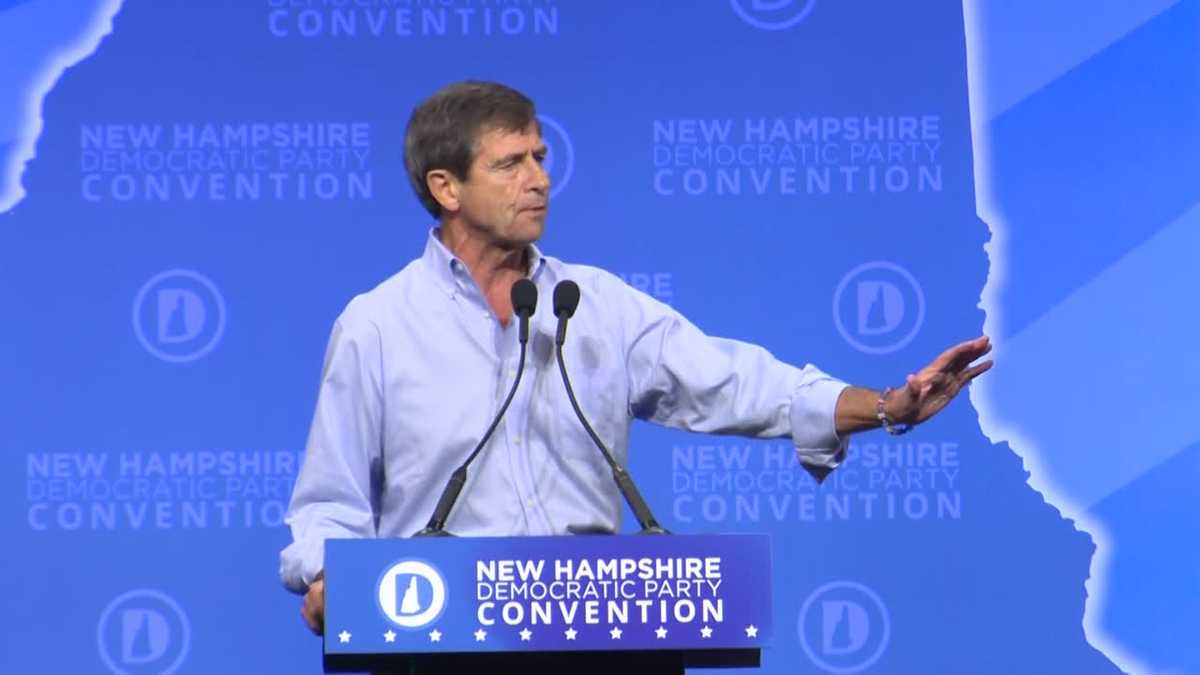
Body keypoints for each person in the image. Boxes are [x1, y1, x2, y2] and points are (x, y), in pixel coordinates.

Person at [280, 81, 993, 636]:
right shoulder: (377, 325)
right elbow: (329, 501)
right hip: (437, 632)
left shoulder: (595, 303)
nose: (538, 179)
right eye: (510, 164)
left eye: (540, 157)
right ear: (446, 187)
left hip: (595, 634)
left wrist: (887, 405)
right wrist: (327, 578)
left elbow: (732, 381)